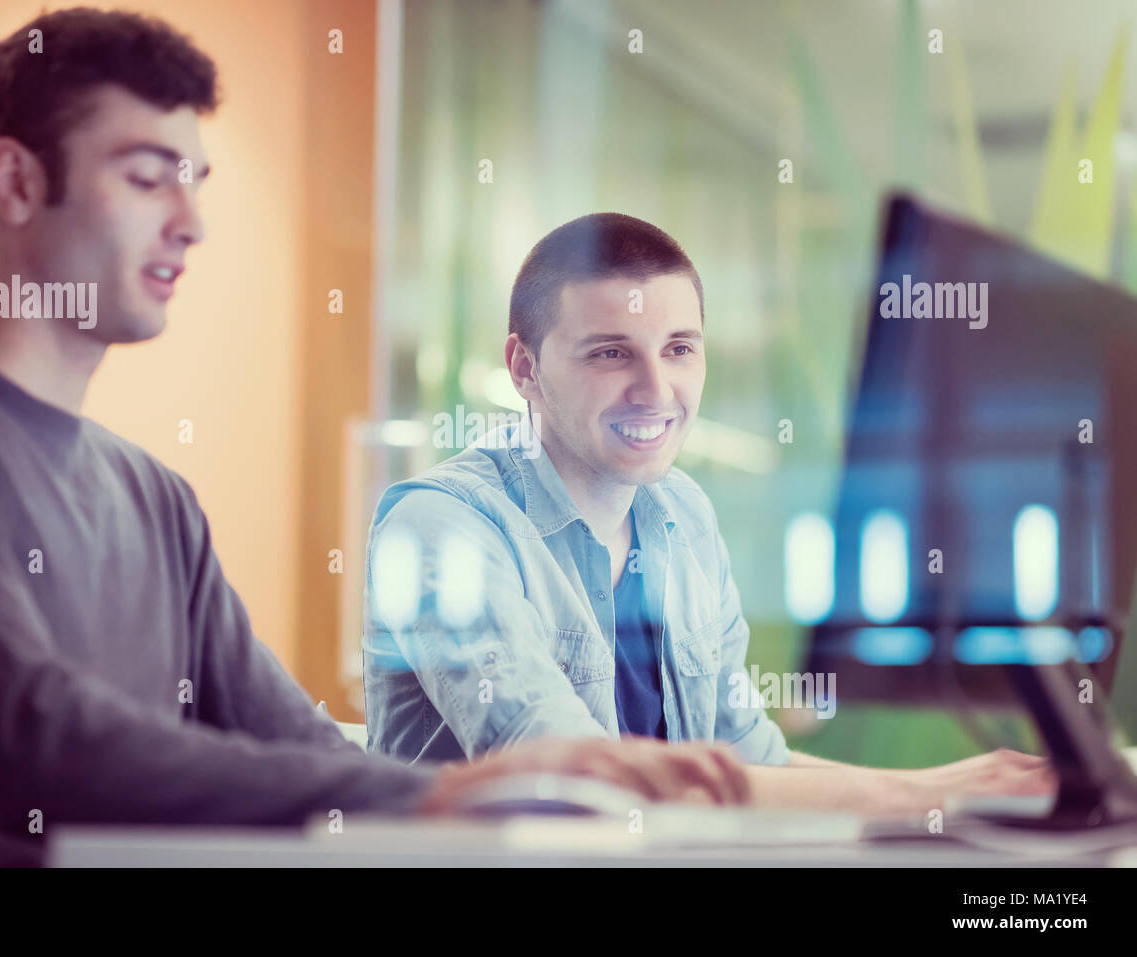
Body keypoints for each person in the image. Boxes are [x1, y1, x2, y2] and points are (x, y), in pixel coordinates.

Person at [0, 10, 749, 867]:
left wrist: (477, 792)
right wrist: (447, 793)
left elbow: (295, 742)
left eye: (194, 185)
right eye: (148, 178)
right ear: (15, 182)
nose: (189, 224)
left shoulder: (153, 497)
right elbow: (27, 736)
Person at [362, 212, 1056, 817]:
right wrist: (927, 798)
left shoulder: (680, 514)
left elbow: (751, 760)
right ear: (523, 367)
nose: (656, 391)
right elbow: (577, 784)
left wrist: (962, 787)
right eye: (611, 353)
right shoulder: (442, 530)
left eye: (679, 349)